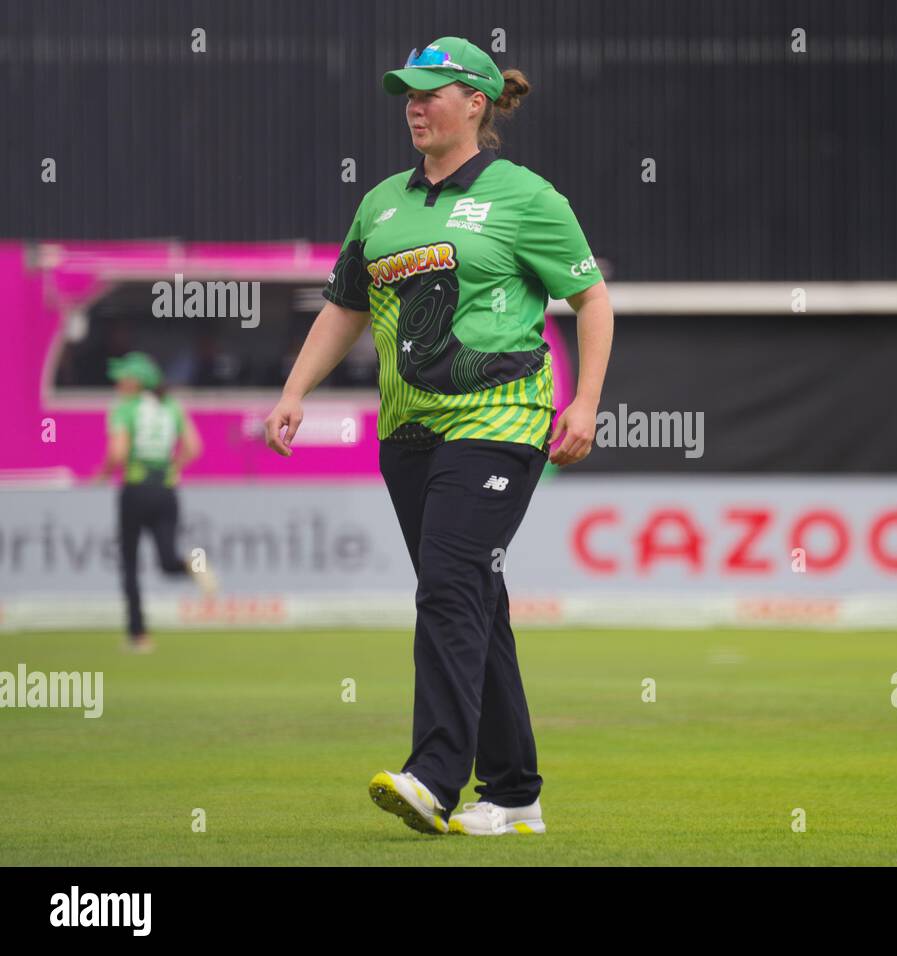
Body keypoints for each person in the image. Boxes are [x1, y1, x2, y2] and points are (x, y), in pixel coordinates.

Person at [263, 36, 614, 837]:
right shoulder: (381, 202)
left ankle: (433, 775)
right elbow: (347, 306)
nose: (414, 106)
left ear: (476, 103)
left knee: (450, 586)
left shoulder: (527, 197)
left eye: (431, 92)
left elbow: (591, 300)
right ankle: (517, 795)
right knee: (475, 600)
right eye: (407, 95)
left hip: (500, 421)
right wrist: (294, 389)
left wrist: (586, 401)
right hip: (408, 434)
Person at [92, 351, 218, 653]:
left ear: (136, 382)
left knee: (130, 565)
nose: (117, 382)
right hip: (165, 491)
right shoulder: (171, 406)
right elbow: (194, 447)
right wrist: (173, 469)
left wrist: (102, 474)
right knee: (166, 559)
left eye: (123, 377)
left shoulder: (125, 409)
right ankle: (193, 565)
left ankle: (139, 636)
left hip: (135, 489)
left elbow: (118, 454)